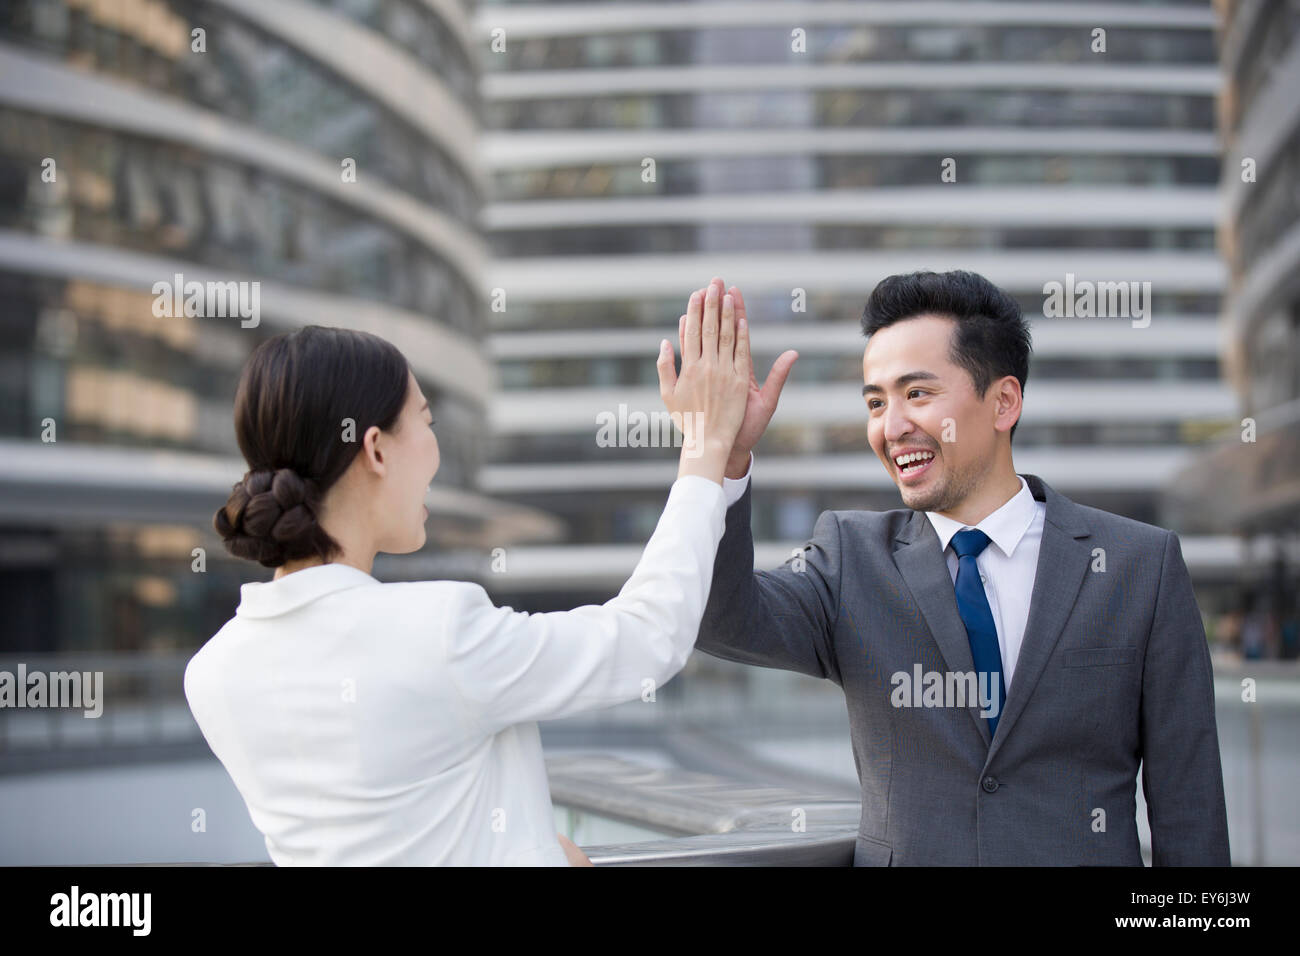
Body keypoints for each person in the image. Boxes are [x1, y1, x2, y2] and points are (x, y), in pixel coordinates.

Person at [183, 286, 749, 865]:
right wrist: (705, 448)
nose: (436, 451)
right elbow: (646, 641)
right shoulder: (438, 633)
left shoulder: (212, 675)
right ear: (375, 450)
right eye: (425, 421)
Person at [691, 270, 1231, 866]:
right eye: (876, 402)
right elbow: (720, 619)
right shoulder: (850, 559)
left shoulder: (1139, 566)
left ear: (1003, 402)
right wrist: (724, 455)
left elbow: (1190, 805)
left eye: (917, 394)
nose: (891, 427)